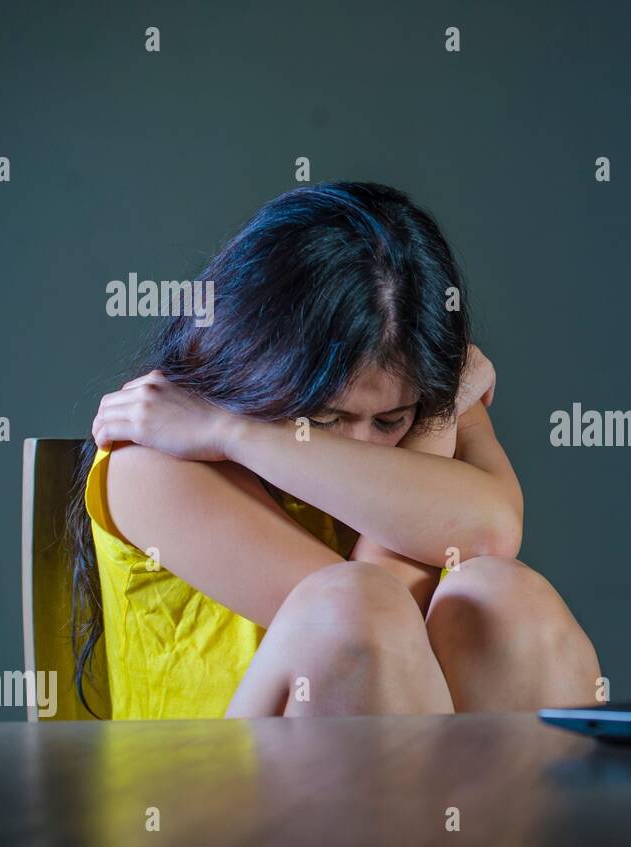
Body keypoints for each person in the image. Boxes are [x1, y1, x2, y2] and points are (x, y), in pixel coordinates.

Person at [68, 182, 601, 719]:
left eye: (391, 421)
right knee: (353, 605)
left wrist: (438, 410)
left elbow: (492, 529)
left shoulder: (427, 397)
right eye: (324, 420)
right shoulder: (151, 463)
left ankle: (523, 808)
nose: (362, 445)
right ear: (259, 366)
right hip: (213, 788)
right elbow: (374, 629)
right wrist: (231, 435)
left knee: (504, 597)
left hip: (409, 779)